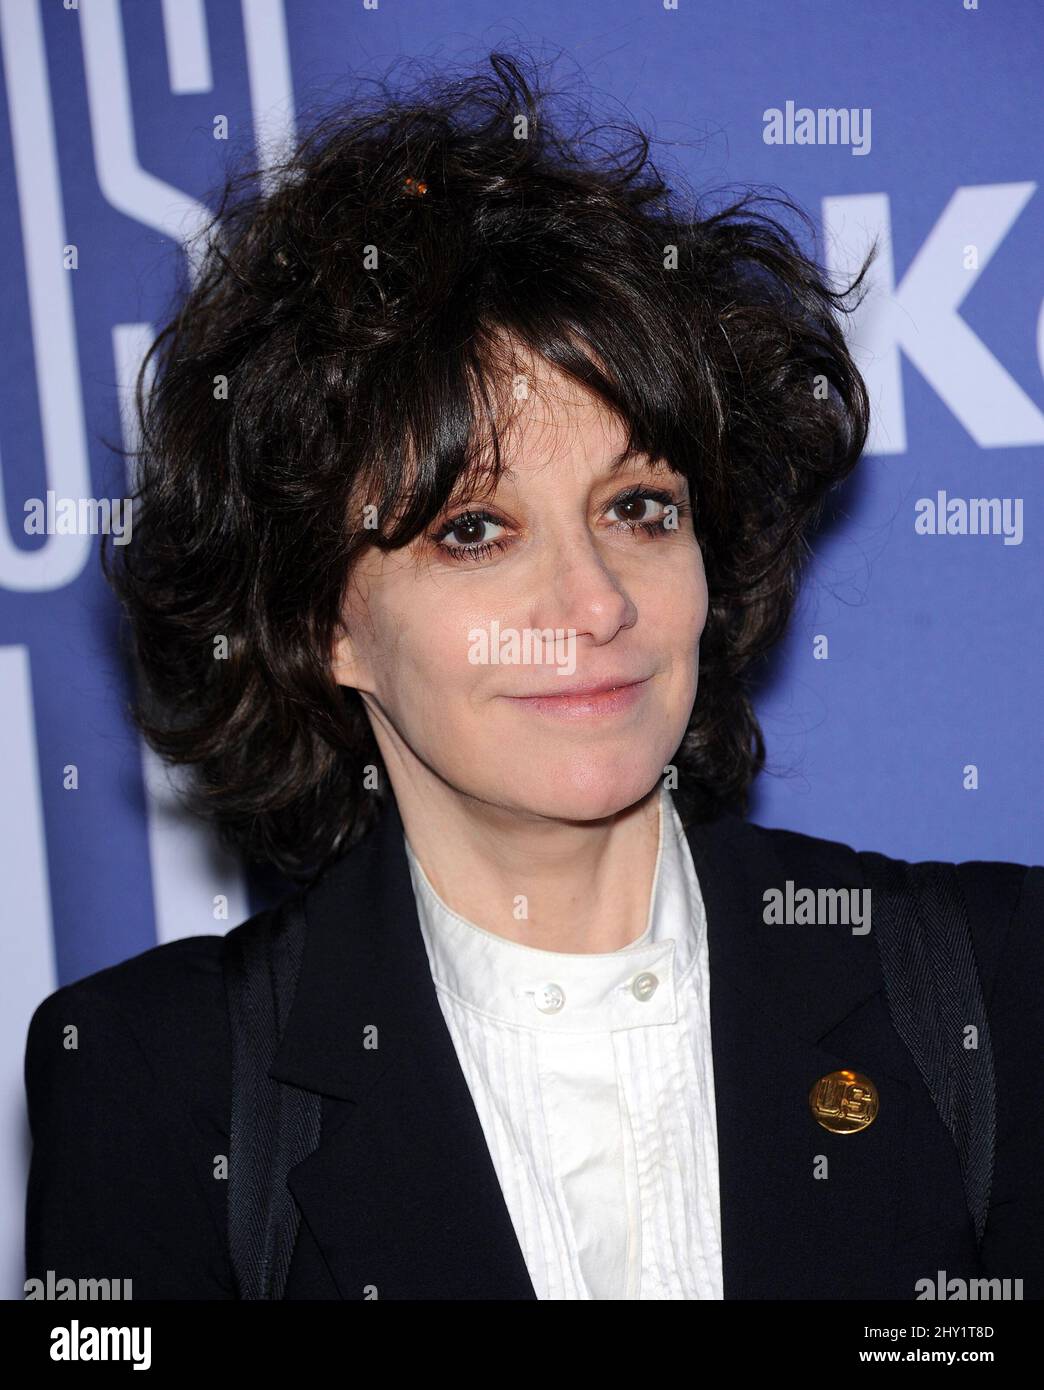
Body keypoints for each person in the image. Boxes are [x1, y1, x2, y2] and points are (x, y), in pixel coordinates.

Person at [23, 52, 1044, 1301]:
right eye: (473, 530)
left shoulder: (992, 986)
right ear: (320, 621)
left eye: (641, 508)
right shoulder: (156, 1078)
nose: (596, 604)